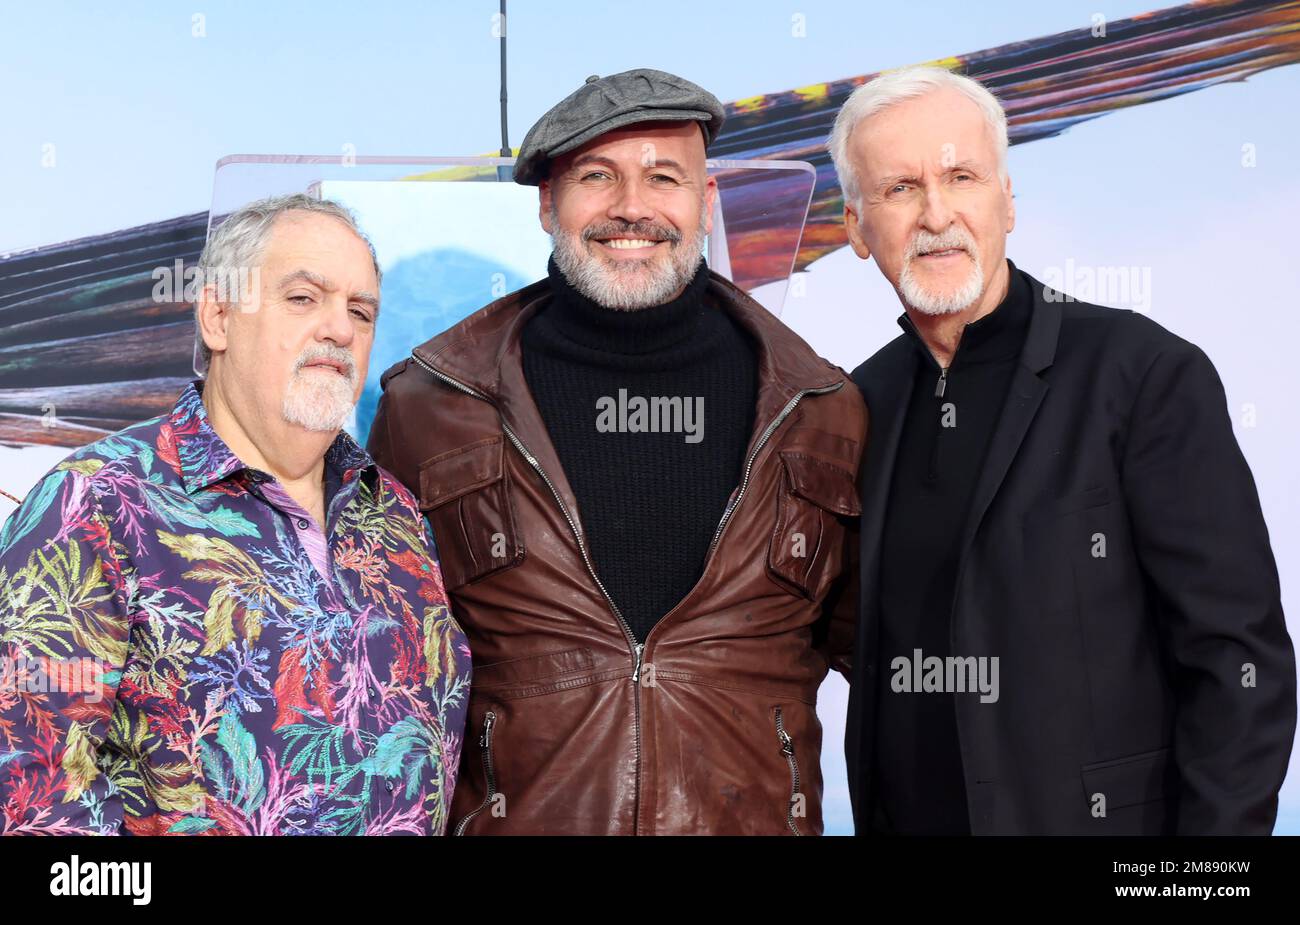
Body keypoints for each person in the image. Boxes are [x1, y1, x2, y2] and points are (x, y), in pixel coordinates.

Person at [369, 68, 866, 835]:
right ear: (546, 204)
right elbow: (379, 674)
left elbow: (878, 659)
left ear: (706, 204)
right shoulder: (428, 404)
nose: (631, 206)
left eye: (663, 176)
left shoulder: (823, 410)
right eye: (597, 176)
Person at [828, 66, 1295, 834]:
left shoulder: (1141, 374)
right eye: (901, 189)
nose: (937, 213)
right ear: (854, 226)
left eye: (962, 176)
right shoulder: (855, 406)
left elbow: (1239, 666)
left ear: (1007, 202)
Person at [0, 194, 471, 835]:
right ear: (219, 318)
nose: (339, 329)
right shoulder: (97, 501)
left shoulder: (396, 516)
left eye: (360, 311)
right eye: (303, 298)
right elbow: (31, 796)